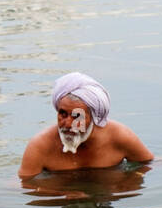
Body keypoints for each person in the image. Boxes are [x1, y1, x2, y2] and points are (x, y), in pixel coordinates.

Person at [18, 72, 154, 176]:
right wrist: (62, 194)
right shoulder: (41, 145)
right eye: (63, 114)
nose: (68, 124)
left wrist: (126, 183)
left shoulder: (120, 136)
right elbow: (25, 185)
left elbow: (148, 164)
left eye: (78, 117)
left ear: (94, 117)